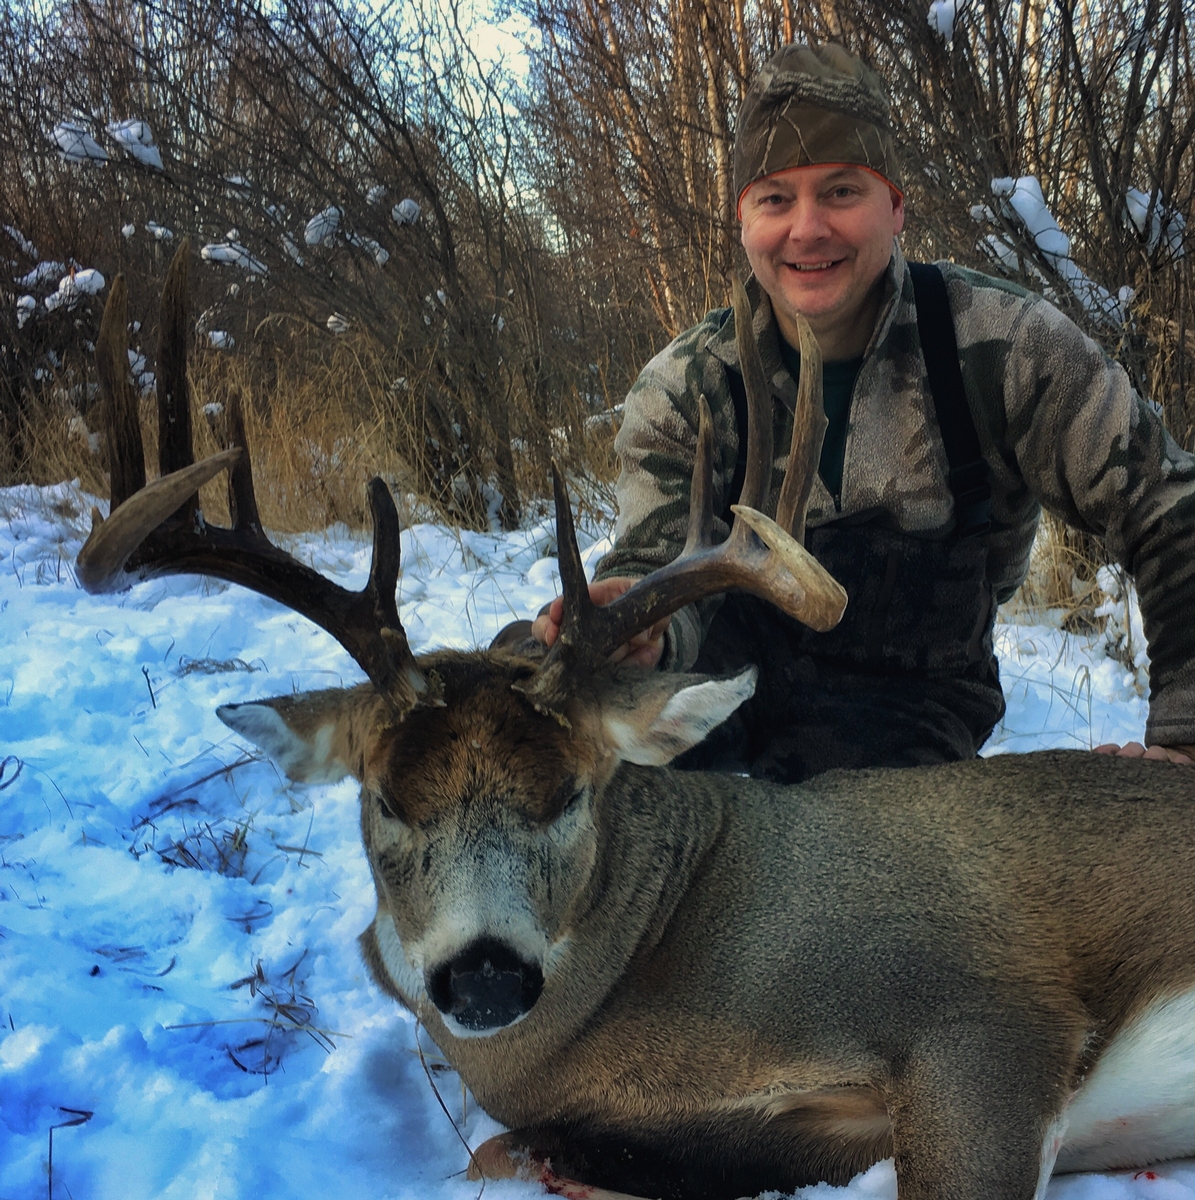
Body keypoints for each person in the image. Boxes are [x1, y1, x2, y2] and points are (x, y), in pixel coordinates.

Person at [526, 42, 1195, 782]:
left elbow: (1170, 509)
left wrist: (1186, 732)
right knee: (522, 687)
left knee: (835, 880)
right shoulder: (685, 384)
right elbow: (654, 567)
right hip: (716, 686)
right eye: (774, 198)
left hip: (908, 711)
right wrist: (637, 621)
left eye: (841, 191)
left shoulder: (1004, 344)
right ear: (742, 218)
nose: (807, 228)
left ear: (896, 205)